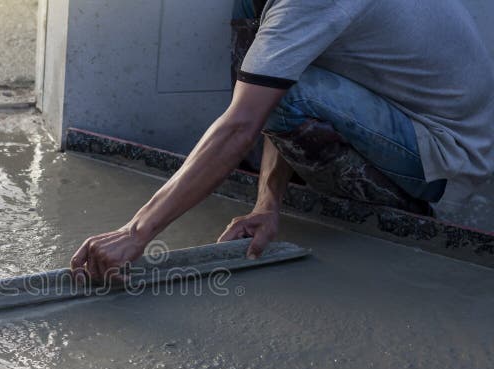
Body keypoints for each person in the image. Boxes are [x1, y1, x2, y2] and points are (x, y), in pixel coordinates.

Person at [71, 0, 494, 282]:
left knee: (276, 94)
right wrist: (267, 204)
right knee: (268, 69)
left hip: (448, 159)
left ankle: (408, 203)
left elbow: (246, 120)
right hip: (409, 116)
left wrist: (136, 231)